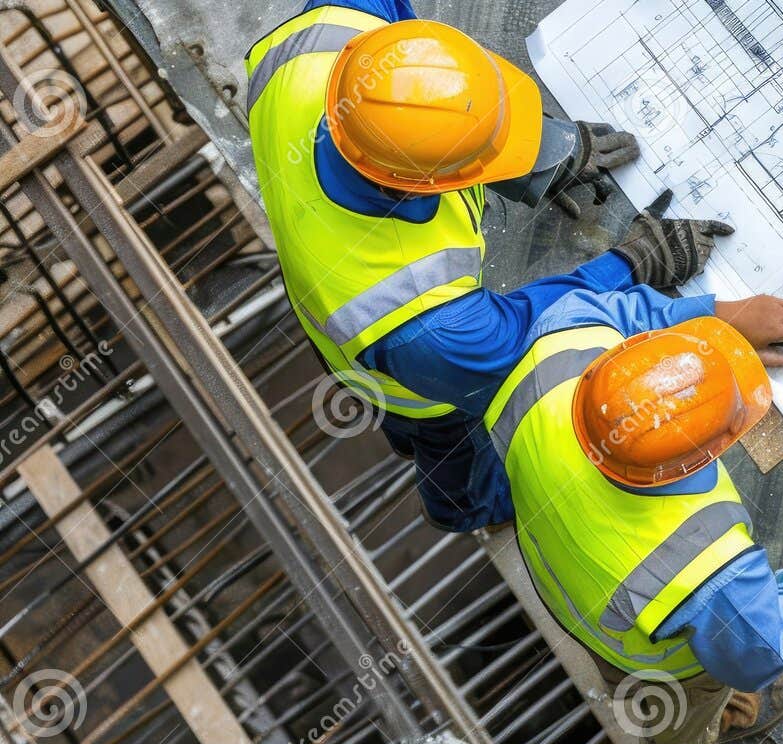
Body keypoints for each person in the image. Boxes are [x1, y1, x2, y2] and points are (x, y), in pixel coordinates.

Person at [246, 0, 731, 531]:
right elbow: (535, 331)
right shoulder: (433, 327)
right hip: (421, 392)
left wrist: (535, 151)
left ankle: (399, 433)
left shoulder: (316, 47)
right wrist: (635, 264)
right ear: (420, 182)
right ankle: (472, 510)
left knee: (380, 388)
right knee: (448, 451)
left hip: (325, 303)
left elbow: (421, 91)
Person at [485, 286, 783, 744]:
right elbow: (762, 652)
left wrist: (720, 316)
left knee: (616, 643)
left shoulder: (558, 345)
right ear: (696, 460)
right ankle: (682, 738)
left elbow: (606, 309)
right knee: (678, 701)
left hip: (556, 566)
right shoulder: (706, 561)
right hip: (641, 656)